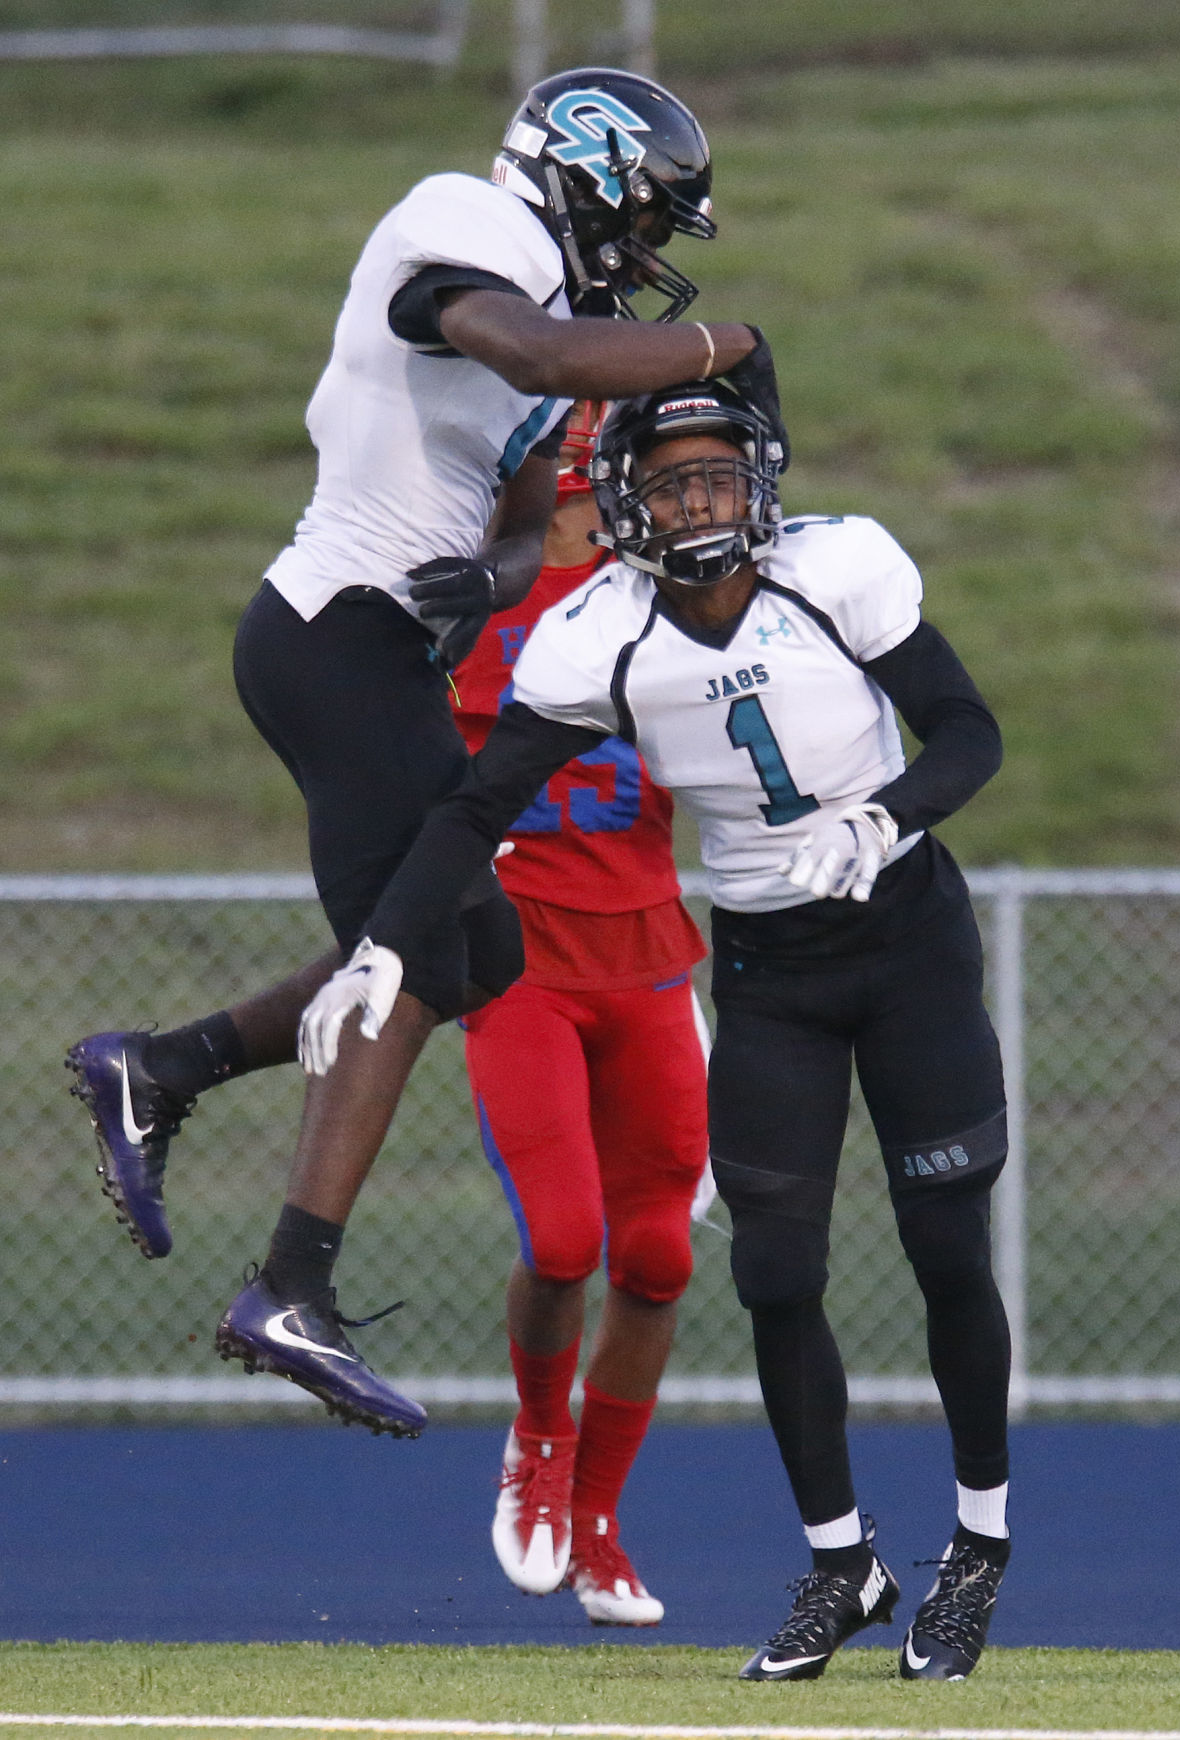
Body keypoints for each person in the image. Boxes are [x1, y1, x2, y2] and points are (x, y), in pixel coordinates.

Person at [66, 67, 782, 1441]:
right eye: (645, 219)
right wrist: (725, 348)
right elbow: (526, 357)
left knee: (469, 954)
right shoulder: (466, 220)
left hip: (386, 642)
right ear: (589, 173)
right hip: (328, 632)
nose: (642, 259)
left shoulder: (551, 306)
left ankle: (161, 1072)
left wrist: (493, 574)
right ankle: (287, 1283)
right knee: (418, 957)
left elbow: (520, 509)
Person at [326, 378, 1014, 1682]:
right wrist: (384, 947)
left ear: (757, 484)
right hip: (767, 968)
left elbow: (969, 731)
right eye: (670, 483)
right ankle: (841, 1564)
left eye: (716, 478)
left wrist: (889, 814)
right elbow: (475, 810)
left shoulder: (839, 566)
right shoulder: (594, 636)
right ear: (625, 507)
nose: (697, 504)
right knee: (770, 1274)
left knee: (945, 1250)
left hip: (907, 936)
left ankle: (975, 1548)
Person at [453, 401, 709, 1626]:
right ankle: (538, 1442)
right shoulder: (455, 606)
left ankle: (600, 1520)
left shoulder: (658, 598)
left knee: (657, 1254)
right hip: (518, 957)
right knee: (563, 1239)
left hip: (648, 949)